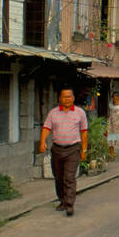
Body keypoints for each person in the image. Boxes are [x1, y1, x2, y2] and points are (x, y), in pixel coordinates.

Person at [38, 88, 89, 217]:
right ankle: (62, 200)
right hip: (57, 149)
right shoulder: (53, 113)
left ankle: (70, 205)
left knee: (69, 178)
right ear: (60, 98)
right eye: (64, 97)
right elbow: (46, 127)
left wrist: (84, 149)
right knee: (59, 178)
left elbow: (84, 132)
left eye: (69, 96)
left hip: (73, 150)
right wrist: (42, 141)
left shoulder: (80, 113)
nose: (67, 99)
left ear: (73, 98)